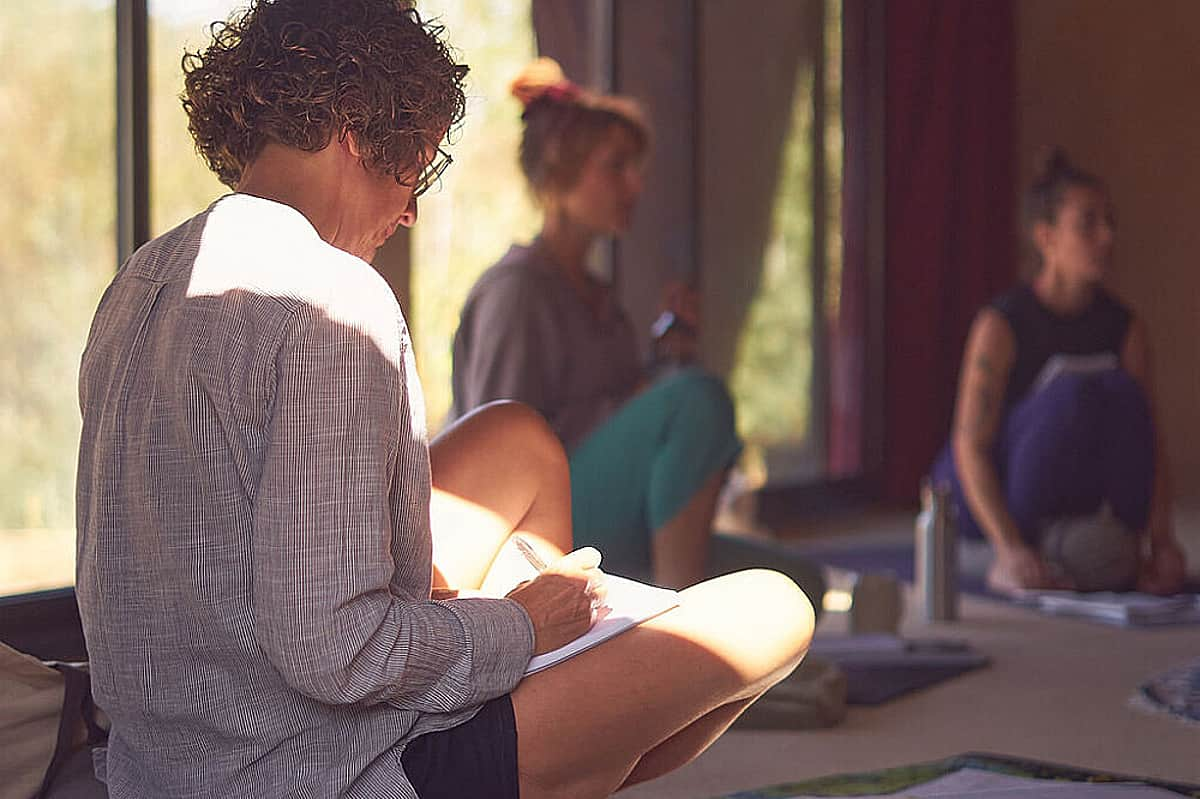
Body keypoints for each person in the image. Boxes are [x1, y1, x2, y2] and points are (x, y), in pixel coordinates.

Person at [74, 3, 814, 798]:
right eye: (415, 172)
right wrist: (524, 625)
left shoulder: (144, 279)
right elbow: (335, 651)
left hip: (169, 754)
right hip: (323, 766)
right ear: (360, 131)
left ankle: (556, 737)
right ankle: (551, 750)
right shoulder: (335, 299)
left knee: (514, 439)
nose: (410, 210)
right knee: (776, 609)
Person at [450, 58, 826, 603]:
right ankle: (673, 643)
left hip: (610, 516)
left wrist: (663, 362)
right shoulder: (518, 291)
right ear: (560, 173)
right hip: (539, 530)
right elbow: (499, 451)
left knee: (796, 586)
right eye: (617, 166)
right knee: (697, 398)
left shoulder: (598, 295)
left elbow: (608, 406)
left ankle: (667, 610)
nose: (636, 184)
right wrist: (671, 396)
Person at [930, 149, 1187, 596]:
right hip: (992, 493)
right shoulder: (1002, 324)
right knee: (1069, 395)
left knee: (1121, 395)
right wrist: (1010, 550)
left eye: (1110, 221)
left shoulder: (1124, 327)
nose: (1106, 236)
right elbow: (969, 444)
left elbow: (1150, 438)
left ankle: (1075, 548)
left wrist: (1161, 542)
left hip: (1065, 492)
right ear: (1046, 237)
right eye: (1088, 223)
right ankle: (1008, 553)